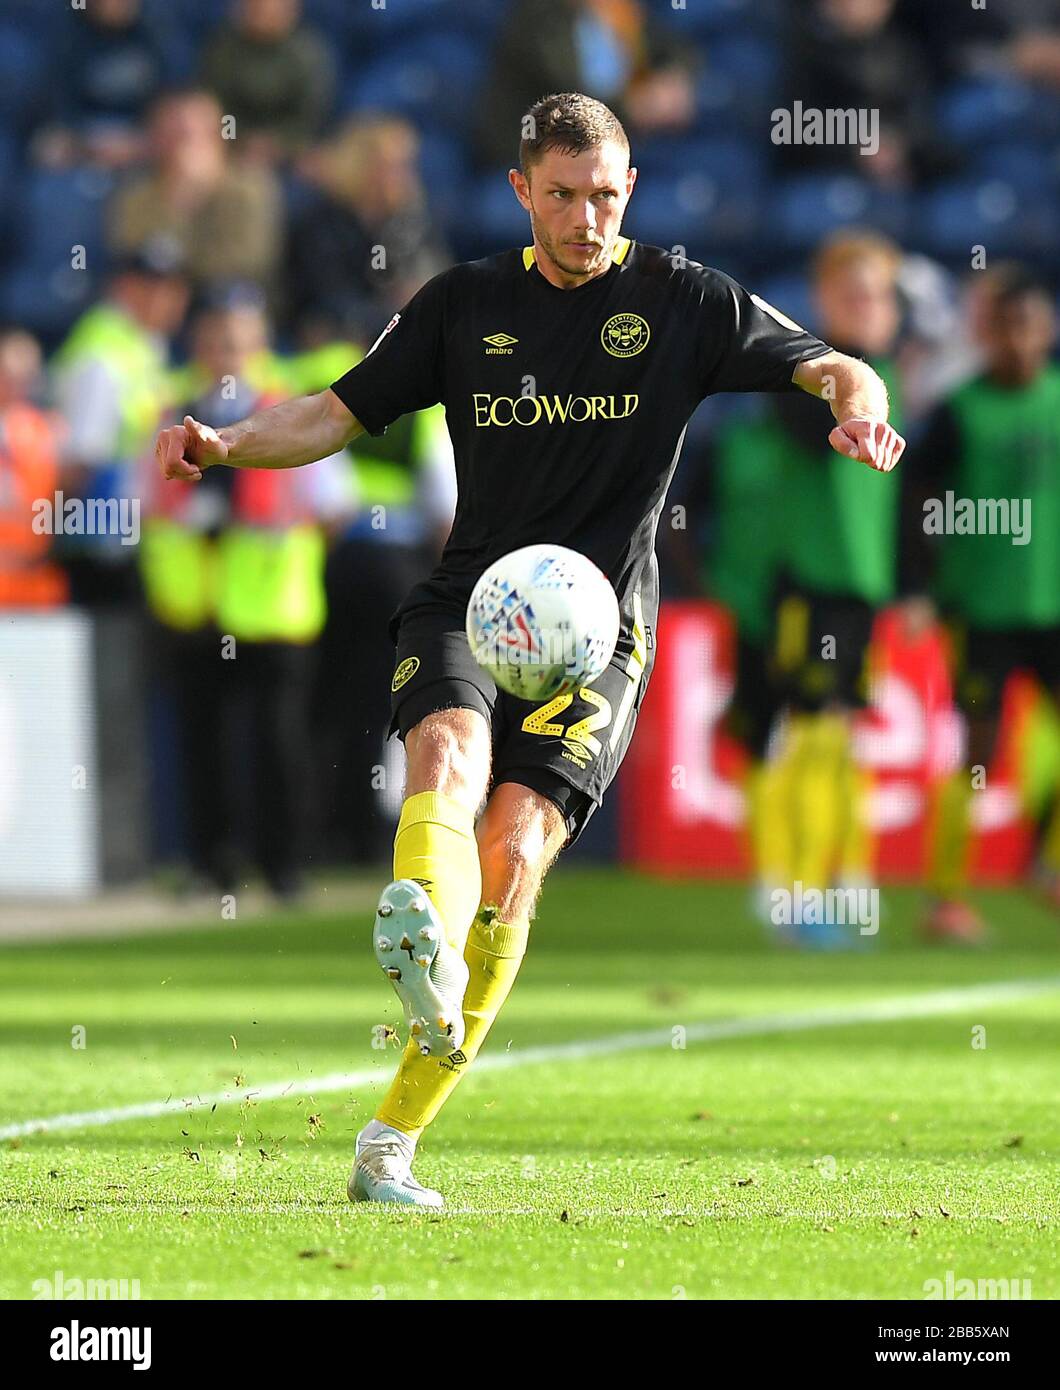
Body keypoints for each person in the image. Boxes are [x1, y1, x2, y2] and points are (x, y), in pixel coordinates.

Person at [155, 93, 905, 1207]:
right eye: (561, 195)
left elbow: (834, 365)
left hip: (599, 634)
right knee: (449, 757)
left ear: (630, 188)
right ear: (522, 191)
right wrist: (225, 444)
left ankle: (390, 1138)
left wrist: (859, 405)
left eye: (604, 195)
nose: (585, 217)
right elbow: (334, 412)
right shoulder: (464, 305)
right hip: (470, 602)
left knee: (515, 847)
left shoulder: (685, 301)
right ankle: (427, 934)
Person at [142, 288, 353, 899]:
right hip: (196, 607)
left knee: (277, 744)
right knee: (201, 745)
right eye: (214, 340)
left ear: (259, 344)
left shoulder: (289, 408)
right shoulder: (167, 409)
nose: (225, 353)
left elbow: (332, 507)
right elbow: (146, 499)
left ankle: (283, 866)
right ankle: (212, 865)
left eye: (237, 340)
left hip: (273, 610)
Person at [910, 266, 1060, 939]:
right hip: (979, 607)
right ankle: (945, 898)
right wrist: (920, 583)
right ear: (987, 334)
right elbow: (914, 504)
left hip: (1052, 604)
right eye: (1007, 327)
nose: (1020, 340)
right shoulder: (956, 412)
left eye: (1030, 326)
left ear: (1048, 330)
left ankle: (1044, 864)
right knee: (978, 751)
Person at [108, 88, 282, 298]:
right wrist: (179, 198)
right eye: (175, 135)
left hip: (226, 303)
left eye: (195, 134)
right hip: (158, 305)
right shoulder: (136, 195)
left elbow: (247, 263)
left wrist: (195, 193)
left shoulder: (250, 189)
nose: (186, 147)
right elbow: (136, 259)